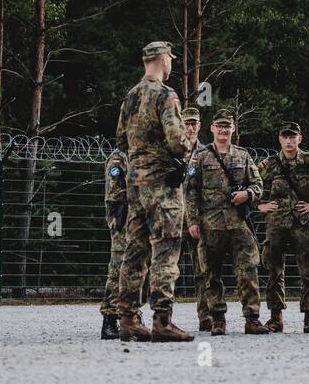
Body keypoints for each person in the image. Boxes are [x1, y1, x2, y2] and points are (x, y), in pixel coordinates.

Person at [115, 41, 195, 343]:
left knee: (134, 252)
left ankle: (128, 318)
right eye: (170, 59)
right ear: (163, 60)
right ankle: (162, 320)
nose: (171, 64)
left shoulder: (131, 97)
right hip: (162, 185)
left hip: (135, 185)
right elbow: (177, 140)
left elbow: (121, 139)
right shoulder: (165, 95)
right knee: (166, 249)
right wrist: (186, 150)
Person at [188, 110, 268, 335]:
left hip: (238, 226)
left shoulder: (243, 156)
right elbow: (191, 192)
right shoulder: (201, 156)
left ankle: (252, 318)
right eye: (219, 126)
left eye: (227, 126)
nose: (223, 130)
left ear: (233, 129)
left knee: (248, 272)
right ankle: (217, 319)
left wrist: (248, 195)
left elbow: (258, 184)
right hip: (210, 226)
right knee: (211, 275)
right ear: (212, 128)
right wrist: (191, 222)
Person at [257, 121, 309, 333]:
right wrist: (259, 205)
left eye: (292, 137)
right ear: (279, 139)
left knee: (308, 270)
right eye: (285, 137)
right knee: (274, 270)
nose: (288, 141)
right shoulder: (269, 164)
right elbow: (251, 185)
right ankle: (276, 318)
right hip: (275, 223)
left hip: (301, 223)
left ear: (299, 139)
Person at [178, 106, 212, 331]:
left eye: (194, 123)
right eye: (186, 123)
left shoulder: (207, 153)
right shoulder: (172, 150)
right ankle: (163, 316)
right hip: (172, 218)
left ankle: (205, 316)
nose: (190, 127)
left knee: (202, 270)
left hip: (198, 220)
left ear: (200, 126)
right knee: (166, 270)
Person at [99, 147, 128, 339]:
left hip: (140, 221)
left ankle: (131, 317)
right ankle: (109, 319)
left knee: (138, 272)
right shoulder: (118, 158)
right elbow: (114, 194)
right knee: (117, 270)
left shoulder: (144, 153)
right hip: (123, 222)